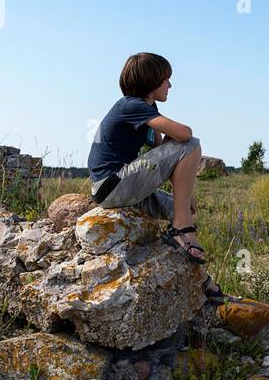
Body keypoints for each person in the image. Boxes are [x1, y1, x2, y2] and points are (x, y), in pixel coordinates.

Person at [87, 52, 224, 302]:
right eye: (166, 80)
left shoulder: (147, 108)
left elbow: (159, 151)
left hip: (119, 186)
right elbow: (184, 134)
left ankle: (200, 279)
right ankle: (181, 226)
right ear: (151, 82)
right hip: (112, 185)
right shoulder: (131, 105)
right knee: (192, 143)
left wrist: (185, 197)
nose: (170, 86)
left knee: (182, 207)